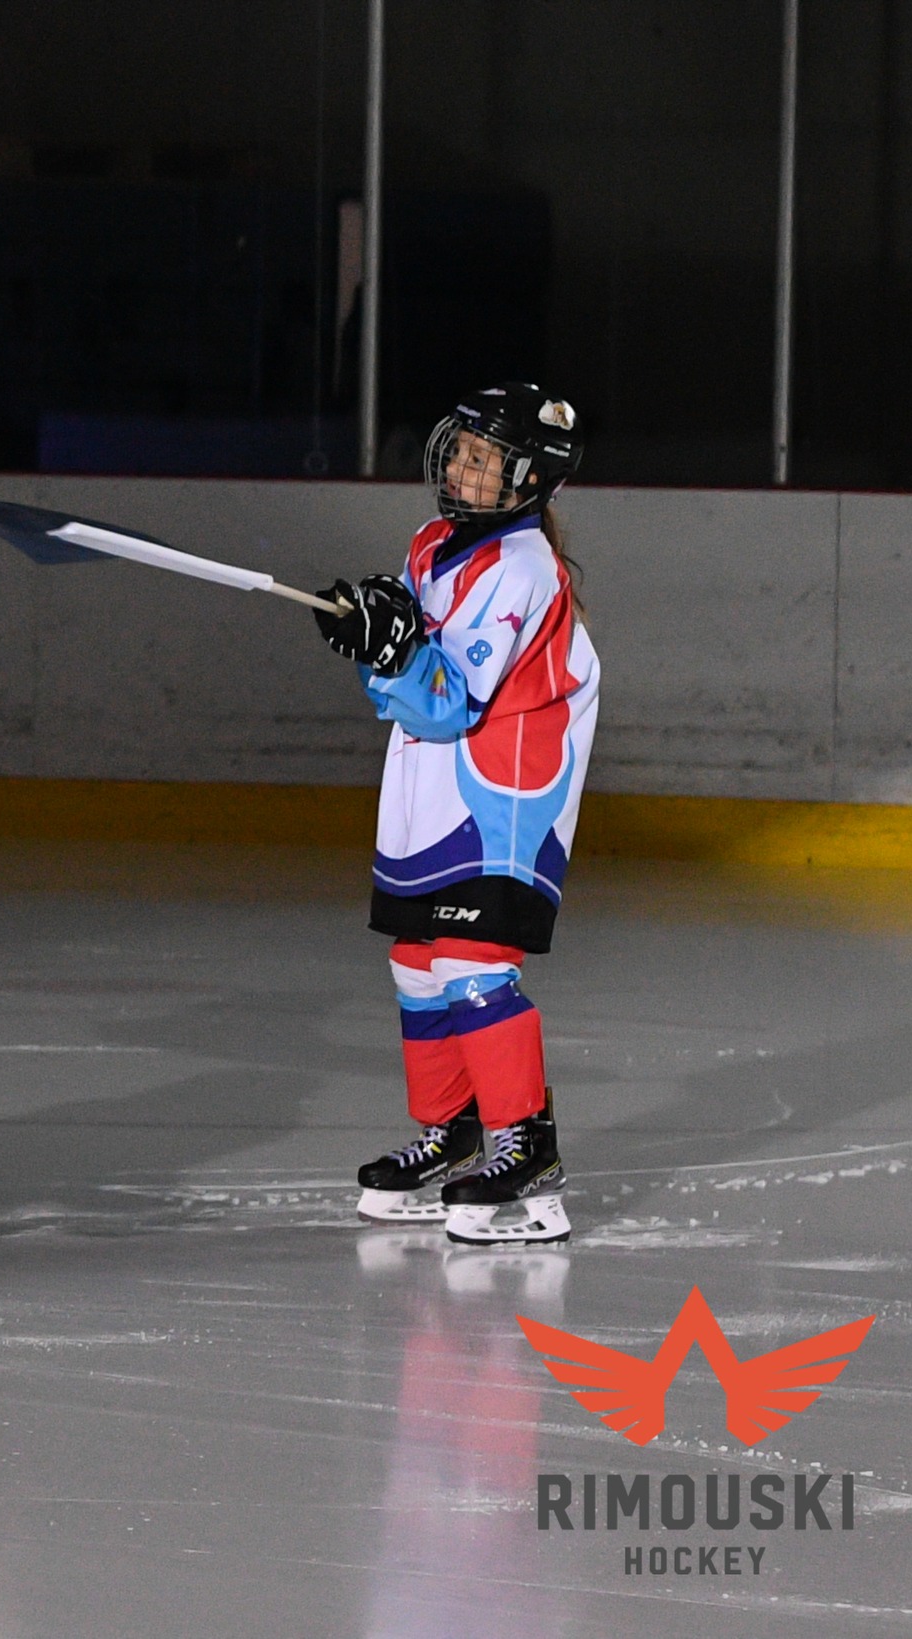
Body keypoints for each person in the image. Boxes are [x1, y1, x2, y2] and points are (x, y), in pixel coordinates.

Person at [312, 383, 598, 1245]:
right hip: (430, 794)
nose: (464, 467)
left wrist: (397, 652)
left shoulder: (521, 567)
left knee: (474, 961)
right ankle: (456, 1134)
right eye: (463, 450)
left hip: (504, 795)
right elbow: (404, 682)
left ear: (529, 480)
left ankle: (527, 1146)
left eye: (486, 457)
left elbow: (448, 701)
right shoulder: (433, 543)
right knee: (416, 962)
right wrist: (373, 635)